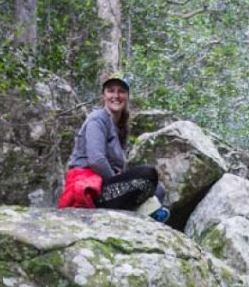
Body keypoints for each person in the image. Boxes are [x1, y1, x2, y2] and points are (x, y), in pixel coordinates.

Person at [57, 75, 171, 221]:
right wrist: (118, 181)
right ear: (104, 96)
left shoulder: (119, 127)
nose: (116, 96)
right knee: (148, 174)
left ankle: (140, 215)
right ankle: (144, 214)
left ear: (127, 96)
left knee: (158, 189)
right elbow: (96, 160)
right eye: (111, 91)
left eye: (121, 91)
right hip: (91, 190)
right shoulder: (98, 119)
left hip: (107, 187)